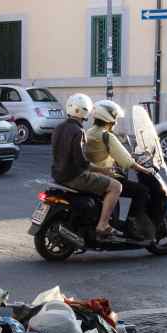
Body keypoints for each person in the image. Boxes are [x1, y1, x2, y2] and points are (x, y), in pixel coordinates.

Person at [85, 100, 156, 240]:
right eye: (115, 118)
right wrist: (146, 171)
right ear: (109, 119)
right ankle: (132, 227)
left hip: (92, 173)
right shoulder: (106, 135)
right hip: (105, 175)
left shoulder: (90, 132)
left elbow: (108, 154)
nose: (116, 122)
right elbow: (127, 162)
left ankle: (112, 222)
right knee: (141, 190)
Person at [52, 93, 120, 237]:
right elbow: (81, 162)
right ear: (86, 111)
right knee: (116, 186)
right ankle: (103, 224)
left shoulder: (58, 128)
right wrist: (103, 170)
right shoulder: (78, 131)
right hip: (74, 177)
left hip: (58, 175)